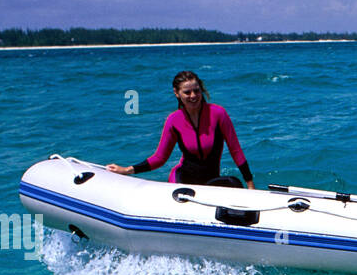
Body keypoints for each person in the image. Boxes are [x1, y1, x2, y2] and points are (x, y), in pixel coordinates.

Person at [107, 71, 254, 188]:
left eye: (196, 91)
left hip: (211, 180)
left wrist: (250, 185)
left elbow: (236, 151)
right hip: (182, 180)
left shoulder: (218, 114)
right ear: (177, 93)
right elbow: (160, 158)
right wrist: (127, 170)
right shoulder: (174, 120)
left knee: (234, 183)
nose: (193, 96)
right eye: (187, 92)